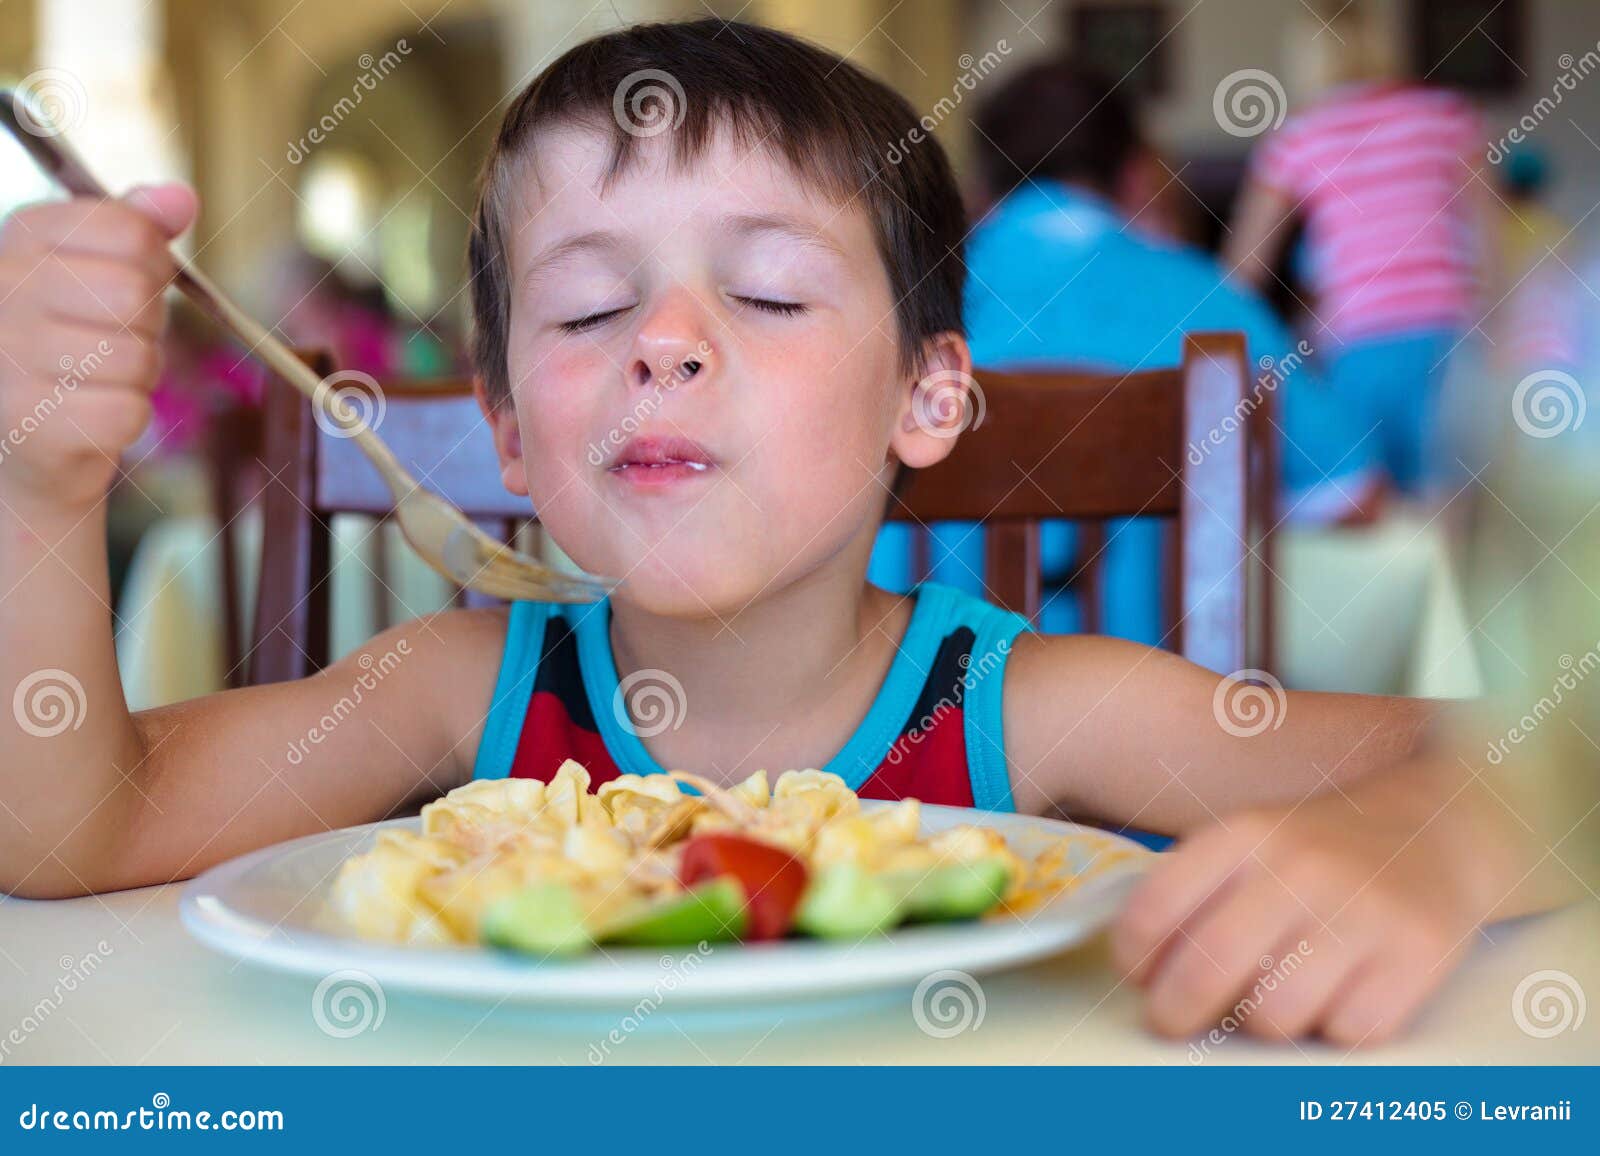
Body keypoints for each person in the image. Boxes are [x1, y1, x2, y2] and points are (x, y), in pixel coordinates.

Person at [0, 19, 1565, 1043]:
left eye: (765, 292)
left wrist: (1428, 845)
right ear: (507, 438)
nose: (664, 343)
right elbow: (77, 831)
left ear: (929, 398)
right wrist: (38, 495)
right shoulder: (454, 690)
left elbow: (1548, 757)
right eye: (592, 305)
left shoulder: (1031, 713)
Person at [874, 58, 1380, 641]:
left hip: (929, 715)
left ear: (979, 188)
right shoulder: (1215, 303)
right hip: (1170, 714)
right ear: (1136, 176)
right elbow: (1354, 496)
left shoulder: (900, 306)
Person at [1224, 0, 1491, 497]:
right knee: (1453, 512)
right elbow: (1491, 241)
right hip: (1450, 340)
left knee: (1372, 511)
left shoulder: (1299, 138)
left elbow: (1243, 272)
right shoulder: (1446, 115)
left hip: (1359, 342)